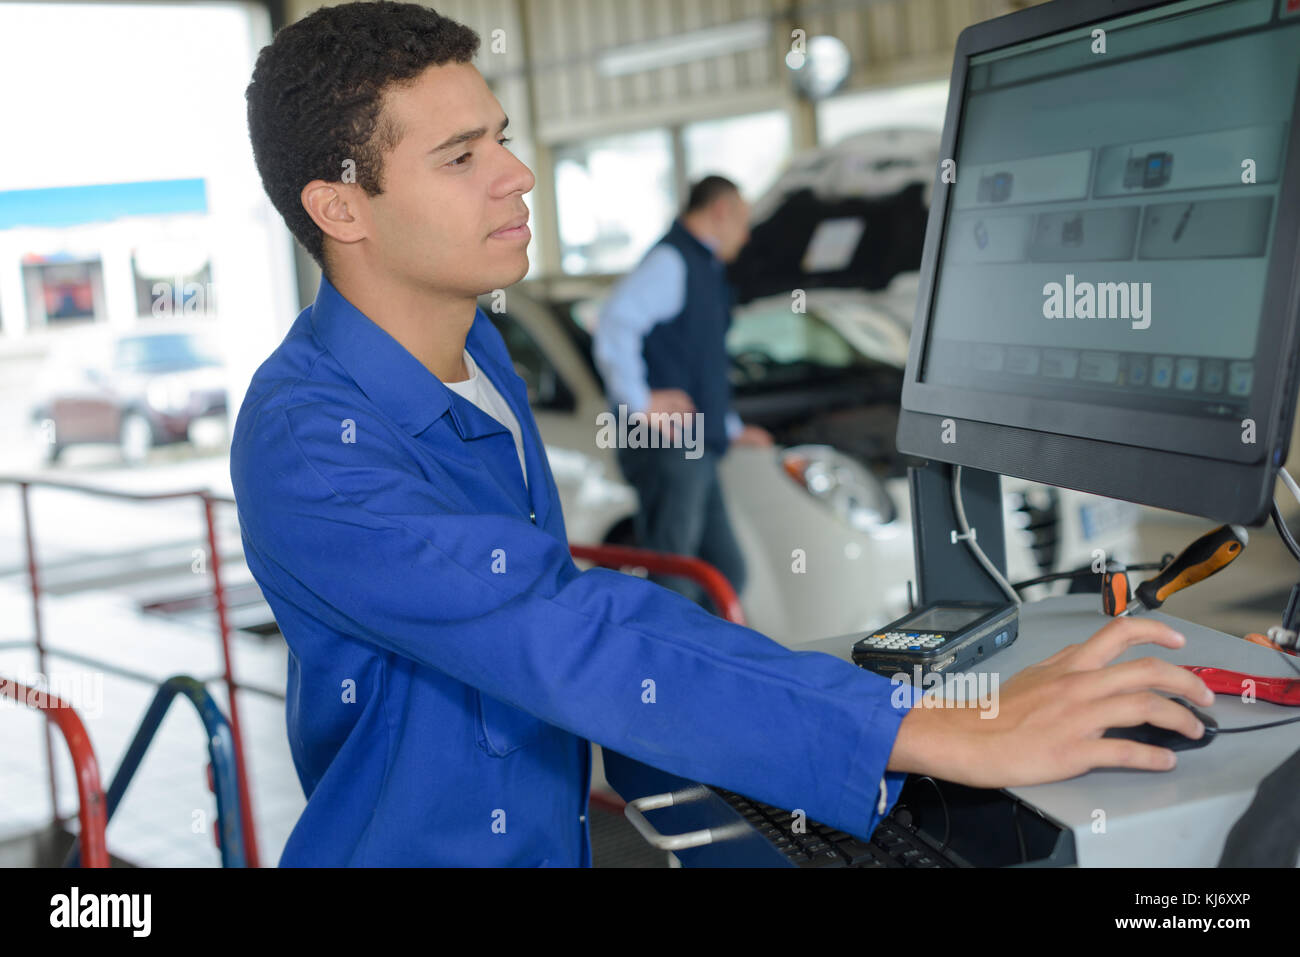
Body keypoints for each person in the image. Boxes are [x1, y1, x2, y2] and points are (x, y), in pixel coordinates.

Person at [235, 0, 1214, 867]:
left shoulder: (475, 349)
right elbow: (566, 631)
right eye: (462, 156)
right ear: (339, 206)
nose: (518, 173)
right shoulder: (309, 443)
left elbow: (574, 613)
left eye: (501, 136)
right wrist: (923, 730)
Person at [593, 176, 773, 611]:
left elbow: (701, 361)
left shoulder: (704, 268)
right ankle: (669, 673)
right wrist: (638, 403)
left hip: (697, 442)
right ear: (721, 211)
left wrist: (727, 428)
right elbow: (615, 321)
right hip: (671, 443)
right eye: (744, 222)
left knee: (726, 571)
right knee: (674, 572)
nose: (747, 237)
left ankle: (710, 666)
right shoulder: (672, 261)